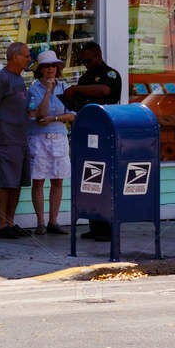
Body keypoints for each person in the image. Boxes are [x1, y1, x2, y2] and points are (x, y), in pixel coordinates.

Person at [61, 42, 125, 242]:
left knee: (105, 181)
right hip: (88, 132)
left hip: (105, 132)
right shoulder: (86, 77)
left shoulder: (110, 74)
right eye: (83, 61)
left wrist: (77, 89)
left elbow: (104, 91)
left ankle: (107, 227)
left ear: (98, 55)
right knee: (90, 179)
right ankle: (95, 226)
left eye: (88, 60)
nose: (86, 64)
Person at [0, 42, 33, 239]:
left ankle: (10, 222)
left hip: (21, 138)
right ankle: (2, 225)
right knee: (7, 182)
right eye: (26, 56)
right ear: (15, 57)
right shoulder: (2, 79)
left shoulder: (19, 79)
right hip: (6, 138)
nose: (29, 59)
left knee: (17, 183)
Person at [27, 50, 72, 234]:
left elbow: (72, 114)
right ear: (40, 69)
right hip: (39, 138)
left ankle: (54, 221)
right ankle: (40, 222)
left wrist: (55, 119)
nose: (50, 69)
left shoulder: (65, 88)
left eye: (53, 66)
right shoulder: (34, 89)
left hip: (59, 137)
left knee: (57, 181)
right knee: (38, 181)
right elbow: (39, 114)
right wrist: (47, 91)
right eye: (46, 66)